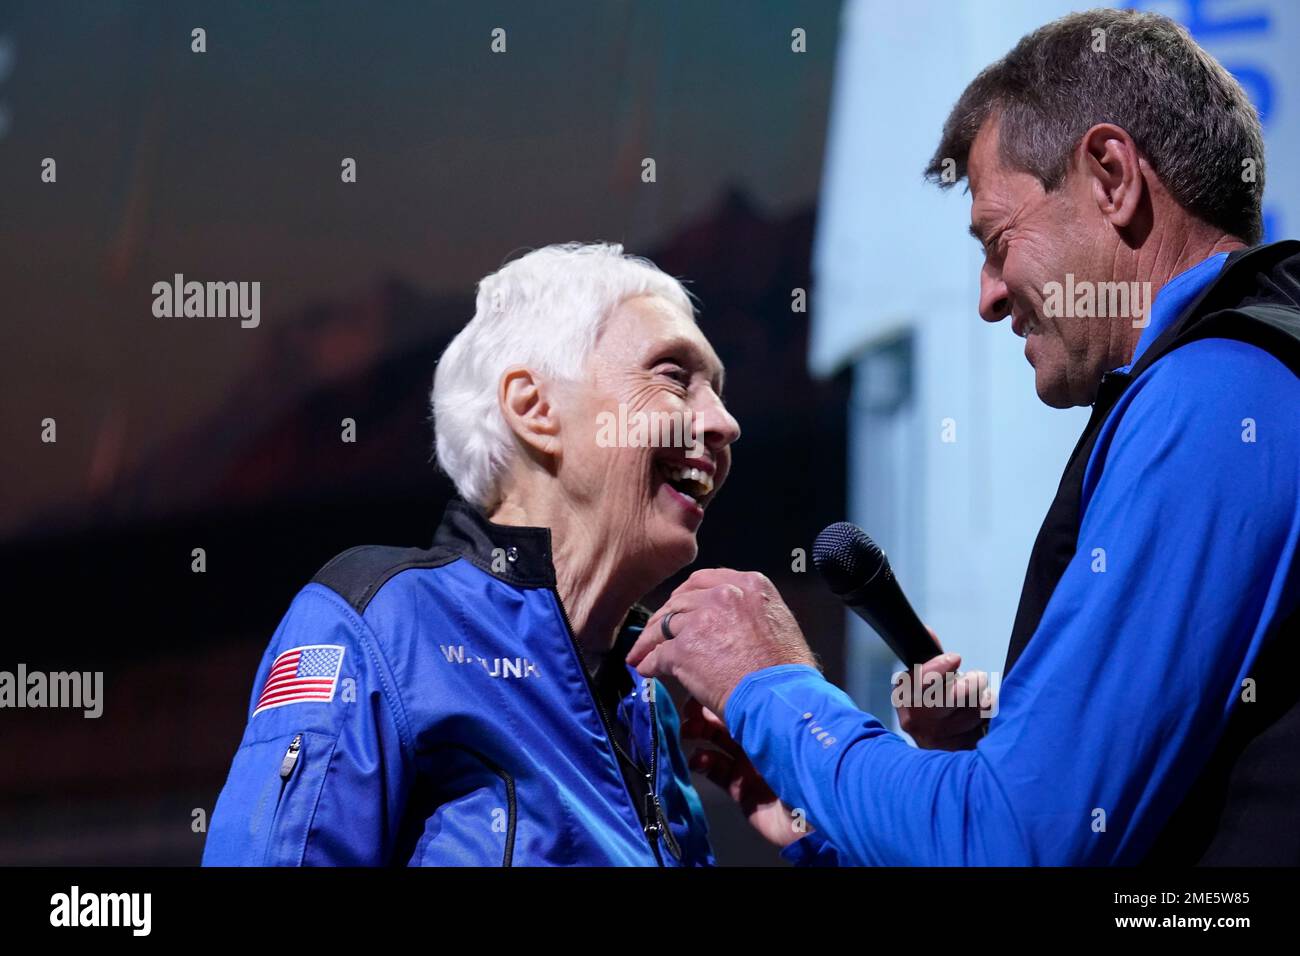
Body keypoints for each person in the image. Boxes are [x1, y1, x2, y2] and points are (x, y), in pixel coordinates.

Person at [630, 9, 1300, 865]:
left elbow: (1012, 841)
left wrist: (770, 687)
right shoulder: (1249, 373)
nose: (988, 295)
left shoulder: (1215, 398)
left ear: (1111, 174)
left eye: (997, 240)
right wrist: (826, 807)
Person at [202, 242, 740, 865]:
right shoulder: (381, 619)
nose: (724, 422)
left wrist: (810, 833)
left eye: (718, 391)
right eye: (674, 376)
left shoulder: (648, 700)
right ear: (535, 409)